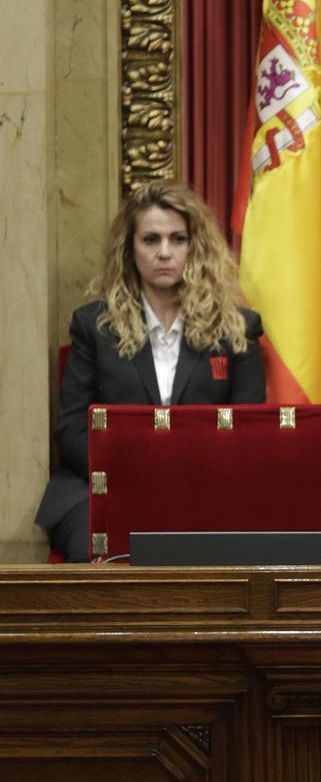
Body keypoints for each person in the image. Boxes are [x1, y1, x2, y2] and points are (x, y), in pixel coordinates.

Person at [36, 179, 266, 562]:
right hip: (102, 486)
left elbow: (248, 431)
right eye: (150, 240)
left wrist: (180, 483)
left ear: (197, 247)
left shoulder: (237, 329)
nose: (164, 253)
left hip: (207, 486)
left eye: (178, 239)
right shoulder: (94, 326)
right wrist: (135, 480)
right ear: (130, 249)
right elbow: (73, 429)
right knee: (98, 552)